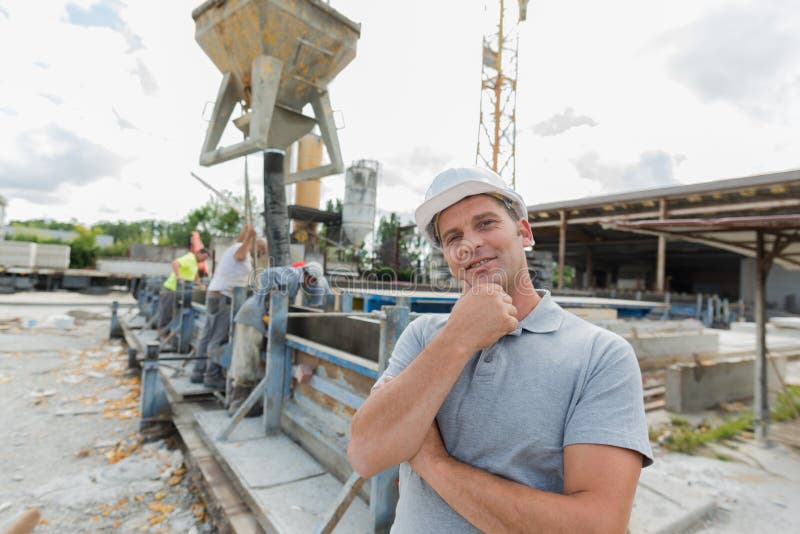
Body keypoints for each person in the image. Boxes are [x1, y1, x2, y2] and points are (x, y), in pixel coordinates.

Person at [348, 167, 653, 533]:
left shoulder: (600, 356)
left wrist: (431, 460)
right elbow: (365, 454)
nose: (470, 244)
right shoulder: (424, 336)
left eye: (486, 223)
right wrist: (457, 338)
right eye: (453, 236)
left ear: (524, 232)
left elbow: (597, 526)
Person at [227, 261, 330, 415]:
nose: (312, 285)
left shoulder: (296, 282)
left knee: (245, 358)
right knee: (245, 360)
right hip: (252, 317)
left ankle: (234, 402)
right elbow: (268, 273)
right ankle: (238, 405)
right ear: (308, 275)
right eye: (313, 281)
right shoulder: (294, 275)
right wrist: (274, 294)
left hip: (255, 317)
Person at [190, 225, 267, 388]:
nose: (261, 255)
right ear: (257, 246)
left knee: (207, 336)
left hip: (214, 295)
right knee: (218, 338)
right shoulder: (242, 251)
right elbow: (240, 255)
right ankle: (212, 376)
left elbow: (239, 249)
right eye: (261, 251)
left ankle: (198, 372)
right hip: (223, 298)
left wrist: (244, 236)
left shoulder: (235, 247)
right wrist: (249, 237)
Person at [156, 247, 209, 333]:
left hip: (180, 290)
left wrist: (199, 284)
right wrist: (178, 276)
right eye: (204, 257)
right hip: (172, 288)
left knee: (173, 311)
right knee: (166, 310)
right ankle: (162, 331)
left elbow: (194, 273)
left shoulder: (195, 262)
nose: (203, 260)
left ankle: (169, 330)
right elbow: (175, 263)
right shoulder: (190, 258)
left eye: (205, 259)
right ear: (198, 253)